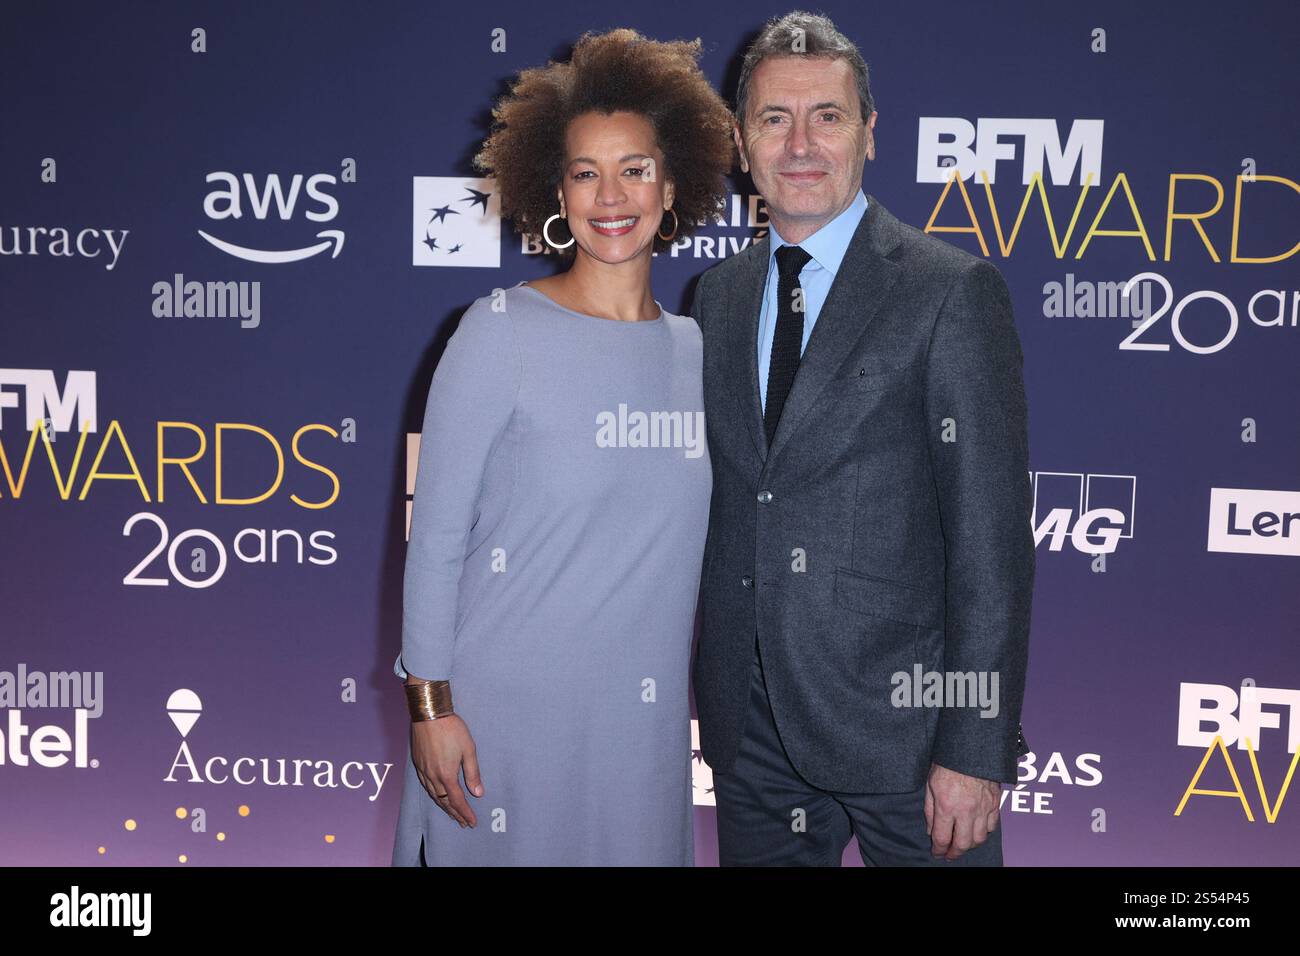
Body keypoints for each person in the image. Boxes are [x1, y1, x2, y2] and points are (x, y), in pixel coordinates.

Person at [689, 11, 1035, 866]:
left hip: (910, 737)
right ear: (741, 140)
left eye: (828, 116)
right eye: (775, 118)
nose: (801, 143)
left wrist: (973, 747)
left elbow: (991, 545)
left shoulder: (949, 292)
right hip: (752, 733)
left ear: (870, 134)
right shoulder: (715, 296)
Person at [390, 28, 734, 866]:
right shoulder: (499, 331)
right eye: (586, 172)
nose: (610, 195)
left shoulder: (699, 351)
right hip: (501, 720)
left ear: (671, 184)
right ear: (557, 190)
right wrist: (431, 708)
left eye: (634, 168)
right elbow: (435, 540)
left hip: (641, 731)